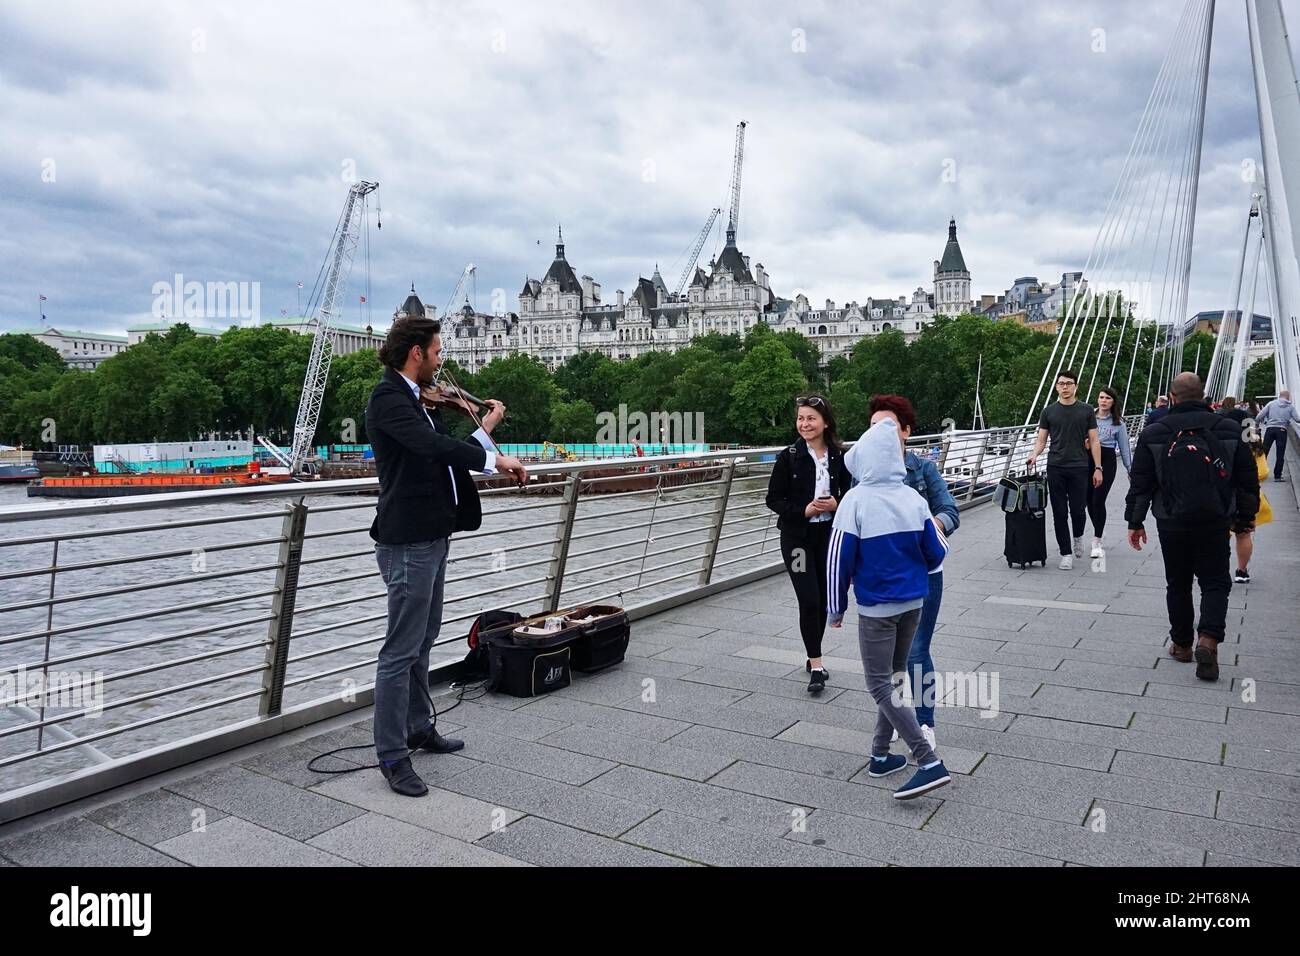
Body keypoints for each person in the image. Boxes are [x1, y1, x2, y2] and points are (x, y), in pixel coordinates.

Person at [366, 314, 528, 797]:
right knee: (400, 649)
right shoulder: (389, 398)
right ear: (415, 353)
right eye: (437, 353)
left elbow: (445, 452)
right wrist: (496, 459)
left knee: (424, 638)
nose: (440, 363)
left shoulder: (418, 399)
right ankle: (392, 755)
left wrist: (487, 429)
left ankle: (418, 727)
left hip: (432, 536)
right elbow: (429, 446)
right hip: (407, 540)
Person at [828, 418, 950, 800]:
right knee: (895, 676)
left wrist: (836, 608)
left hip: (877, 607)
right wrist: (915, 576)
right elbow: (937, 552)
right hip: (913, 602)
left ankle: (927, 760)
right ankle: (880, 755)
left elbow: (838, 560)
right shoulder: (912, 498)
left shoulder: (856, 500)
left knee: (879, 683)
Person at [1124, 373, 1259, 682]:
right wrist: (1244, 518)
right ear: (1204, 396)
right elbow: (1247, 479)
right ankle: (1209, 640)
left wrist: (1135, 521)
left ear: (1172, 397)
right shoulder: (1229, 428)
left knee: (1178, 582)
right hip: (1215, 518)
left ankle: (1182, 644)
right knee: (1214, 582)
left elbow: (1141, 482)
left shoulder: (1154, 431)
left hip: (1171, 519)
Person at [866, 394, 958, 750]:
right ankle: (888, 731)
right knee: (887, 661)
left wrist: (927, 525)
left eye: (888, 427)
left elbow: (950, 510)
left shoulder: (923, 469)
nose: (880, 434)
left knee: (917, 650)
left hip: (922, 573)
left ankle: (924, 723)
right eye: (874, 427)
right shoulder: (863, 474)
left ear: (906, 431)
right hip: (883, 578)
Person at [766, 395, 852, 694]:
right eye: (801, 418)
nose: (804, 424)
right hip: (797, 540)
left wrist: (836, 503)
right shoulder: (788, 456)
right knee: (809, 599)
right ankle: (816, 665)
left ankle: (811, 652)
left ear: (825, 421)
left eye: (811, 418)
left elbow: (853, 495)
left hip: (828, 537)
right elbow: (773, 500)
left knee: (824, 601)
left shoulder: (840, 456)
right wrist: (805, 511)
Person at [1026, 370, 1102, 569]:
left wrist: (1098, 468)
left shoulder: (1086, 411)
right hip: (1055, 466)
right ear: (1056, 386)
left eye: (1069, 383)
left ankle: (1078, 537)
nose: (1065, 387)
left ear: (1076, 386)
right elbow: (1041, 440)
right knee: (1059, 512)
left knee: (1078, 510)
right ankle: (1065, 553)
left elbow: (1094, 441)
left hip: (1079, 466)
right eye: (1061, 383)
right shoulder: (1048, 411)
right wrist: (1034, 454)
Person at [1086, 386, 1132, 557]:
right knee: (1088, 500)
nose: (1104, 401)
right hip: (1087, 458)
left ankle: (1096, 539)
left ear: (1113, 402)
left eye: (1108, 398)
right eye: (1101, 397)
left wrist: (1130, 469)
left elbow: (1125, 448)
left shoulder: (1118, 423)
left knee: (1098, 499)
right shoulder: (1088, 416)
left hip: (1107, 460)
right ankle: (1099, 528)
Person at [1219, 397, 1256, 582]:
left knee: (1219, 533)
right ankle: (1242, 571)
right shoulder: (1245, 416)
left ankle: (1218, 569)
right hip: (1241, 480)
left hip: (1220, 480)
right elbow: (1250, 442)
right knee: (1243, 532)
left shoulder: (1216, 418)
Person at [1256, 389, 1299, 482]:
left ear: (1280, 395)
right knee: (1280, 453)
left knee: (1264, 451)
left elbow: (1260, 415)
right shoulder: (1290, 407)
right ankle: (1277, 476)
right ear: (1287, 397)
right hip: (1282, 430)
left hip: (1270, 429)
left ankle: (1258, 472)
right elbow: (1297, 419)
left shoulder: (1271, 404)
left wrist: (1257, 424)